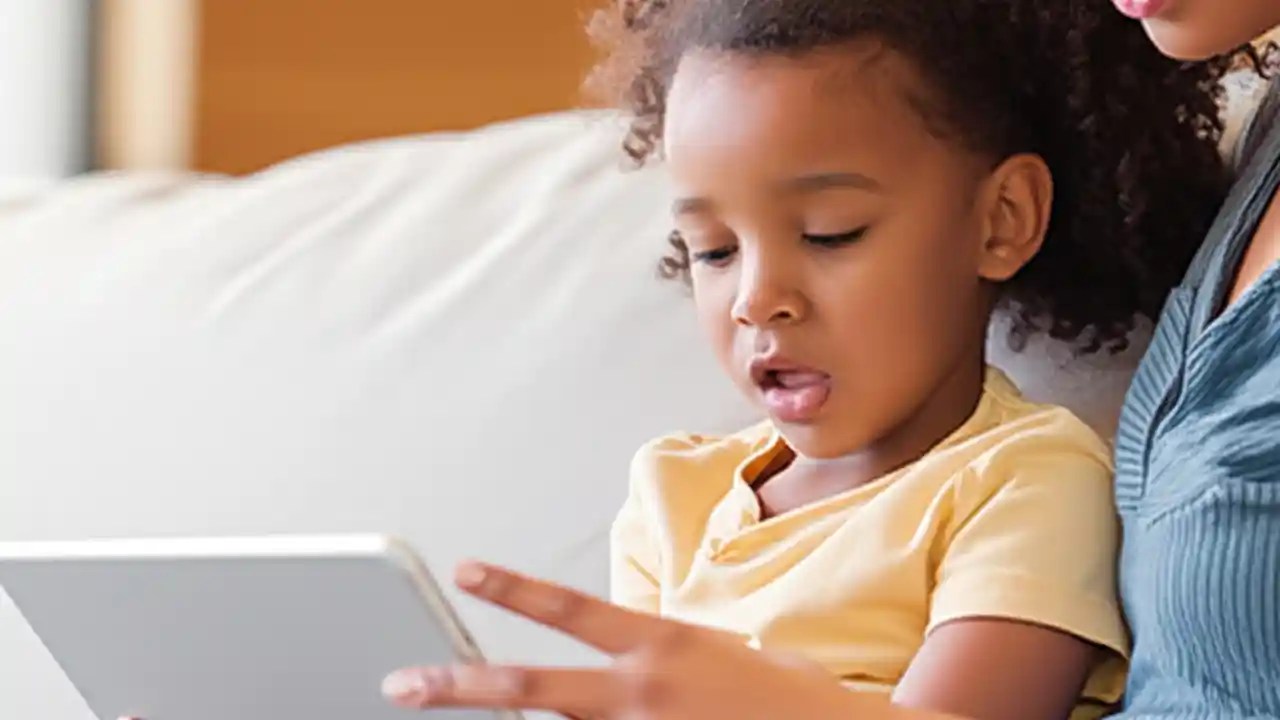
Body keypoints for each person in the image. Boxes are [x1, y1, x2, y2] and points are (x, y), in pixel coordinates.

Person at [381, 0, 1280, 718]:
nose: (756, 297)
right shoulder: (673, 491)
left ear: (1002, 219)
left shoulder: (1024, 482)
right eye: (713, 251)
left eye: (829, 233)